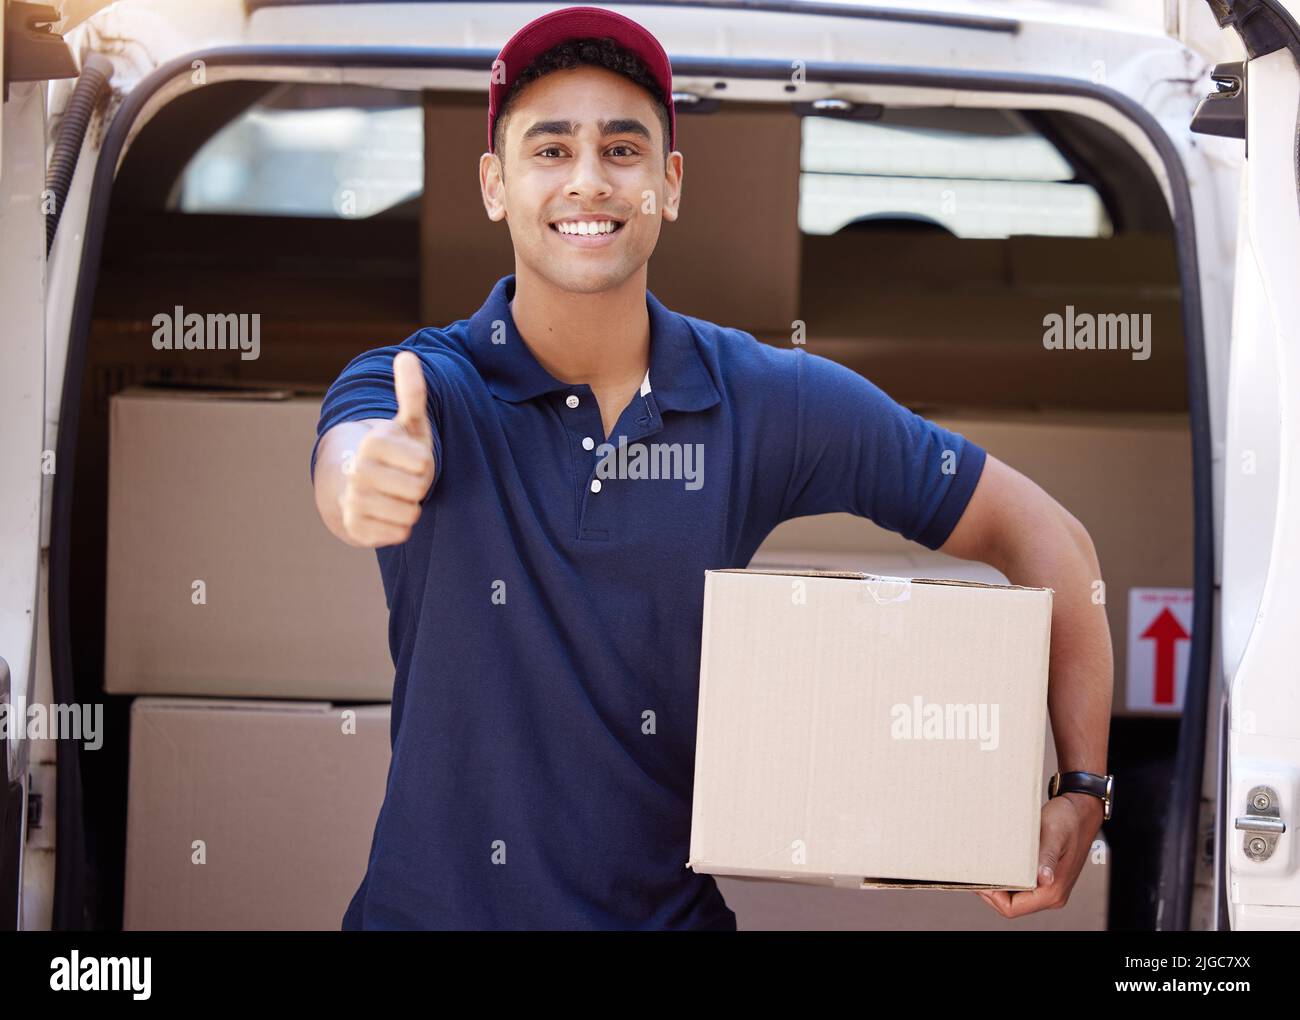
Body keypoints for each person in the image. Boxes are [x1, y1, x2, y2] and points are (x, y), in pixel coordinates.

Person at [310, 5, 1112, 930]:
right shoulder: (423, 386)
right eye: (549, 149)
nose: (587, 180)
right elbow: (350, 461)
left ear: (669, 183)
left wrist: (1084, 786)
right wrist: (366, 476)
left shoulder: (764, 399)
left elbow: (1052, 537)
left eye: (622, 149)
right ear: (494, 184)